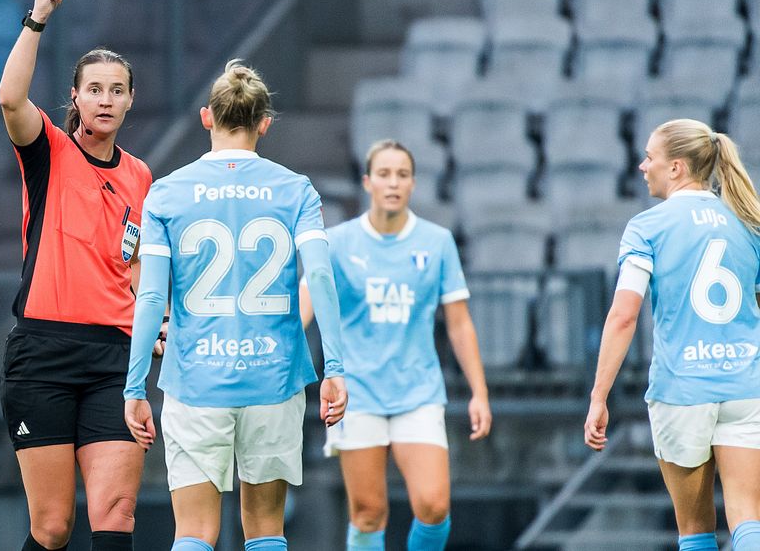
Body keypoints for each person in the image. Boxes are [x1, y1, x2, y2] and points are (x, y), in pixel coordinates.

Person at [124, 60, 349, 551]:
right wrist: (334, 367)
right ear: (264, 123)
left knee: (194, 533)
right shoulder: (296, 190)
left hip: (195, 378)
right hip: (274, 376)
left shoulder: (166, 193)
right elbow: (322, 277)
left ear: (207, 117)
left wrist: (134, 385)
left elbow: (152, 296)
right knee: (267, 530)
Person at [0, 0, 153, 551]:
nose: (105, 99)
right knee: (54, 527)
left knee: (115, 513)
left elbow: (134, 264)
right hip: (43, 356)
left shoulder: (142, 176)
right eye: (95, 89)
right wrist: (39, 16)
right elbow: (11, 97)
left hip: (114, 357)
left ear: (131, 99)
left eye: (117, 89)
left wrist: (155, 322)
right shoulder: (50, 152)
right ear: (76, 97)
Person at [300, 139, 492, 551]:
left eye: (402, 175)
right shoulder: (335, 242)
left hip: (417, 392)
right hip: (357, 395)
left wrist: (479, 392)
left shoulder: (437, 241)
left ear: (413, 183)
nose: (393, 183)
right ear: (368, 182)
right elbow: (303, 311)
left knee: (434, 505)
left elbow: (459, 325)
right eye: (384, 174)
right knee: (368, 513)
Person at [584, 119, 760, 551]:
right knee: (748, 519)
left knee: (695, 530)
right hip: (745, 385)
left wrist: (598, 396)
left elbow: (623, 316)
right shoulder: (748, 221)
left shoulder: (647, 227)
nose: (643, 166)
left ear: (677, 167)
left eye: (650, 157)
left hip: (682, 390)